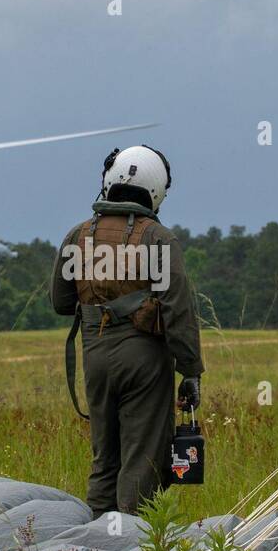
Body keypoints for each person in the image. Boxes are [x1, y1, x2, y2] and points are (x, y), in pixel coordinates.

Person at [51, 145, 203, 517]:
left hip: (96, 359)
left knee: (105, 461)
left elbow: (59, 301)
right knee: (142, 461)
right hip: (145, 362)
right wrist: (191, 372)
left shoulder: (78, 235)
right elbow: (179, 310)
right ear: (157, 190)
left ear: (110, 180)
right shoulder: (159, 238)